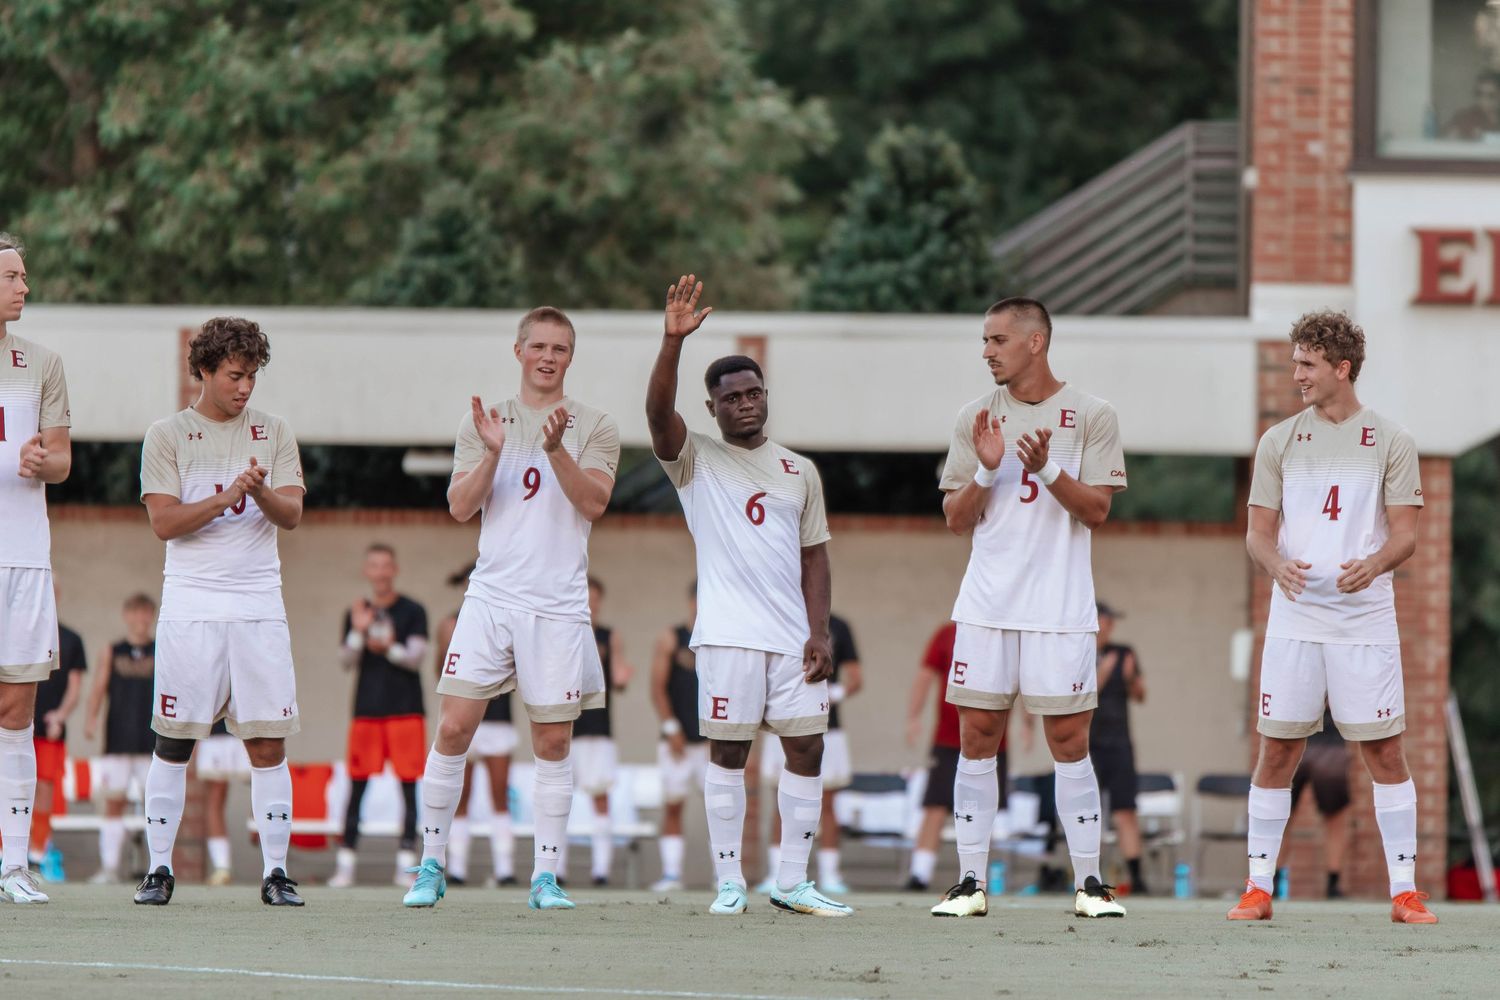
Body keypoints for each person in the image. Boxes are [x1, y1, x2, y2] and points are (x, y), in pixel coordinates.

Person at [646, 274, 850, 918]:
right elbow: (656, 416)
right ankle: (731, 881)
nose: (744, 403)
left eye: (753, 392)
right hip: (728, 635)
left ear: (766, 397)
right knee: (729, 751)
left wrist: (820, 631)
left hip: (793, 640)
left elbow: (814, 554)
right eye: (730, 397)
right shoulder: (695, 459)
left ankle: (792, 880)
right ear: (712, 409)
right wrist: (672, 343)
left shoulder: (800, 470)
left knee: (807, 748)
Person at [403, 306, 619, 912]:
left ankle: (546, 876)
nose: (548, 356)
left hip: (557, 605)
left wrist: (555, 451)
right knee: (452, 728)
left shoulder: (596, 424)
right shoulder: (485, 421)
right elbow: (458, 507)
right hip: (492, 597)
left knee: (552, 741)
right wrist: (495, 452)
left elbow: (595, 504)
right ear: (519, 350)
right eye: (539, 345)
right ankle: (431, 865)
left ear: (570, 357)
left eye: (560, 348)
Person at [1229, 310, 1436, 924]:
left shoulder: (1392, 440)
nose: (1296, 374)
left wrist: (1373, 565)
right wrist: (1276, 566)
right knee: (1276, 752)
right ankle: (1258, 888)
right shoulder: (1279, 440)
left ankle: (1404, 892)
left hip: (1364, 619)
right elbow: (1257, 535)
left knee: (1386, 753)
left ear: (1341, 369)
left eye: (1307, 364)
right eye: (1295, 362)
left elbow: (1406, 536)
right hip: (1295, 619)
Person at [930, 297, 1128, 920]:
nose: (987, 351)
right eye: (984, 341)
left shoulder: (1092, 414)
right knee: (976, 737)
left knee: (1069, 741)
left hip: (1060, 609)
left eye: (997, 340)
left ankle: (1091, 886)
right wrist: (988, 472)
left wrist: (1045, 472)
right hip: (987, 606)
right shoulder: (974, 416)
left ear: (1035, 342)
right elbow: (955, 520)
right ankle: (969, 884)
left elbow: (1097, 510)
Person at [135, 316, 306, 907]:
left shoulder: (275, 431)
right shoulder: (167, 434)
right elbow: (163, 523)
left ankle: (276, 872)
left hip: (259, 605)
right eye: (235, 375)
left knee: (267, 743)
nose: (245, 387)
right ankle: (159, 870)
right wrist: (226, 496)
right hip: (192, 606)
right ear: (204, 371)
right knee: (175, 740)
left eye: (253, 375)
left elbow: (291, 515)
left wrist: (259, 492)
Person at [0, 233, 73, 904]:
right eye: (14, 277)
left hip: (22, 558)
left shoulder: (42, 363)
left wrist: (40, 463)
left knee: (17, 708)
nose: (25, 287)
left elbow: (61, 460)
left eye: (24, 275)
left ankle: (14, 865)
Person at [330, 544, 430, 889]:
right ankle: (346, 865)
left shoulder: (413, 610)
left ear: (395, 569)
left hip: (406, 710)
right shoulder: (356, 611)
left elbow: (416, 658)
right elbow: (345, 661)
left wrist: (389, 647)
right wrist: (359, 631)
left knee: (409, 787)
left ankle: (406, 865)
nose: (381, 571)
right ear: (367, 571)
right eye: (374, 565)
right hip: (367, 710)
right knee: (356, 787)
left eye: (386, 565)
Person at [755, 613, 861, 894]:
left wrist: (834, 693)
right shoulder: (778, 618)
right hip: (782, 720)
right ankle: (775, 873)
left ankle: (830, 876)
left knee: (828, 803)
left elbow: (856, 678)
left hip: (829, 725)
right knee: (781, 799)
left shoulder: (838, 626)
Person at [904, 620, 1007, 892]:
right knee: (936, 806)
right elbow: (925, 675)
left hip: (994, 741)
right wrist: (913, 716)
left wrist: (1030, 723)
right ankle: (920, 874)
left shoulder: (1005, 633)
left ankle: (980, 876)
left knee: (988, 810)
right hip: (949, 739)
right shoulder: (947, 635)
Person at [438, 563, 518, 888]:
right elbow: (441, 670)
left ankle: (505, 869)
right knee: (462, 795)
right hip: (467, 717)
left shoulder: (510, 618)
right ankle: (456, 867)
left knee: (500, 796)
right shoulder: (452, 623)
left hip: (498, 719)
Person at [83, 593, 158, 884]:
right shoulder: (112, 650)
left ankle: (159, 868)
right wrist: (91, 718)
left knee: (157, 804)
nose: (140, 619)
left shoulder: (160, 649)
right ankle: (110, 867)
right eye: (135, 612)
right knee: (113, 802)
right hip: (117, 740)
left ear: (151, 616)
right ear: (127, 615)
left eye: (145, 613)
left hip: (152, 741)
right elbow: (99, 687)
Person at [649, 581, 708, 892]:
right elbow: (657, 688)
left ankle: (723, 876)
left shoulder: (718, 641)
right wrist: (671, 727)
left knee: (721, 810)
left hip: (711, 741)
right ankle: (672, 874)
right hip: (677, 742)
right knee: (673, 805)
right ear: (691, 601)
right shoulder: (671, 638)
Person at [573, 576, 633, 886]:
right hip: (562, 724)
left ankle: (601, 871)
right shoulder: (564, 630)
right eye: (586, 596)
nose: (590, 602)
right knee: (559, 798)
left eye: (595, 597)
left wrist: (622, 677)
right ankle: (552, 870)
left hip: (597, 727)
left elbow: (620, 675)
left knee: (600, 799)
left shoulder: (609, 637)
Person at [1089, 601, 1148, 894]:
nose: (1111, 626)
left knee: (1126, 810)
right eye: (1107, 620)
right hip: (1089, 745)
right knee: (1090, 811)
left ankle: (1137, 877)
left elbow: (1141, 695)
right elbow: (1085, 694)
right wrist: (1102, 673)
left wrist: (1129, 677)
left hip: (1120, 744)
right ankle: (1088, 875)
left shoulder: (1124, 652)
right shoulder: (1082, 653)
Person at [29, 593, 86, 873]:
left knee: (45, 788)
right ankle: (8, 852)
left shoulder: (72, 639)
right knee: (10, 786)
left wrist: (60, 717)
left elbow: (75, 689)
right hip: (14, 725)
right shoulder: (17, 632)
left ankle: (38, 853)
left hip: (49, 728)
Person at [1285, 708, 1352, 900]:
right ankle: (1270, 879)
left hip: (1329, 739)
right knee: (1279, 813)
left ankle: (1333, 882)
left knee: (1335, 814)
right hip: (1292, 736)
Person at [196, 718, 251, 885]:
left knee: (264, 790)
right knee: (215, 797)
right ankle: (222, 868)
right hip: (214, 730)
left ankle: (274, 865)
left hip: (250, 727)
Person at [1443, 70, 1500, 139]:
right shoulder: (1465, 117)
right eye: (1479, 94)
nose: (1483, 99)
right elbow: (1445, 137)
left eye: (1491, 96)